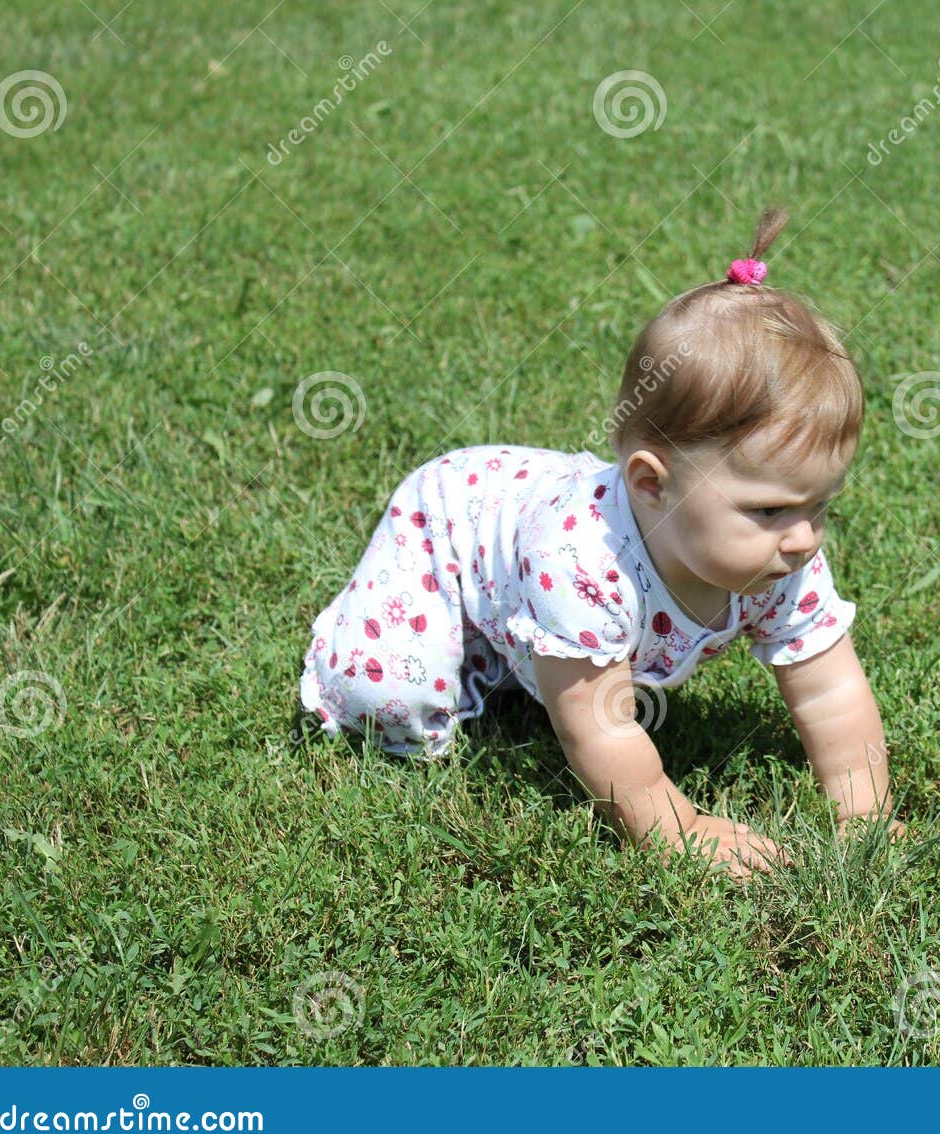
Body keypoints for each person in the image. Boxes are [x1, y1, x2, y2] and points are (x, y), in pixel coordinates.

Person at [298, 208, 903, 877]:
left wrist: (864, 812)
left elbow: (828, 688)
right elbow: (599, 727)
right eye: (769, 509)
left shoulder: (782, 553)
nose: (802, 537)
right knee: (385, 695)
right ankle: (465, 654)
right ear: (651, 484)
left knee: (553, 674)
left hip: (520, 550)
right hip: (448, 535)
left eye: (820, 505)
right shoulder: (583, 561)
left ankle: (515, 663)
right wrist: (682, 829)